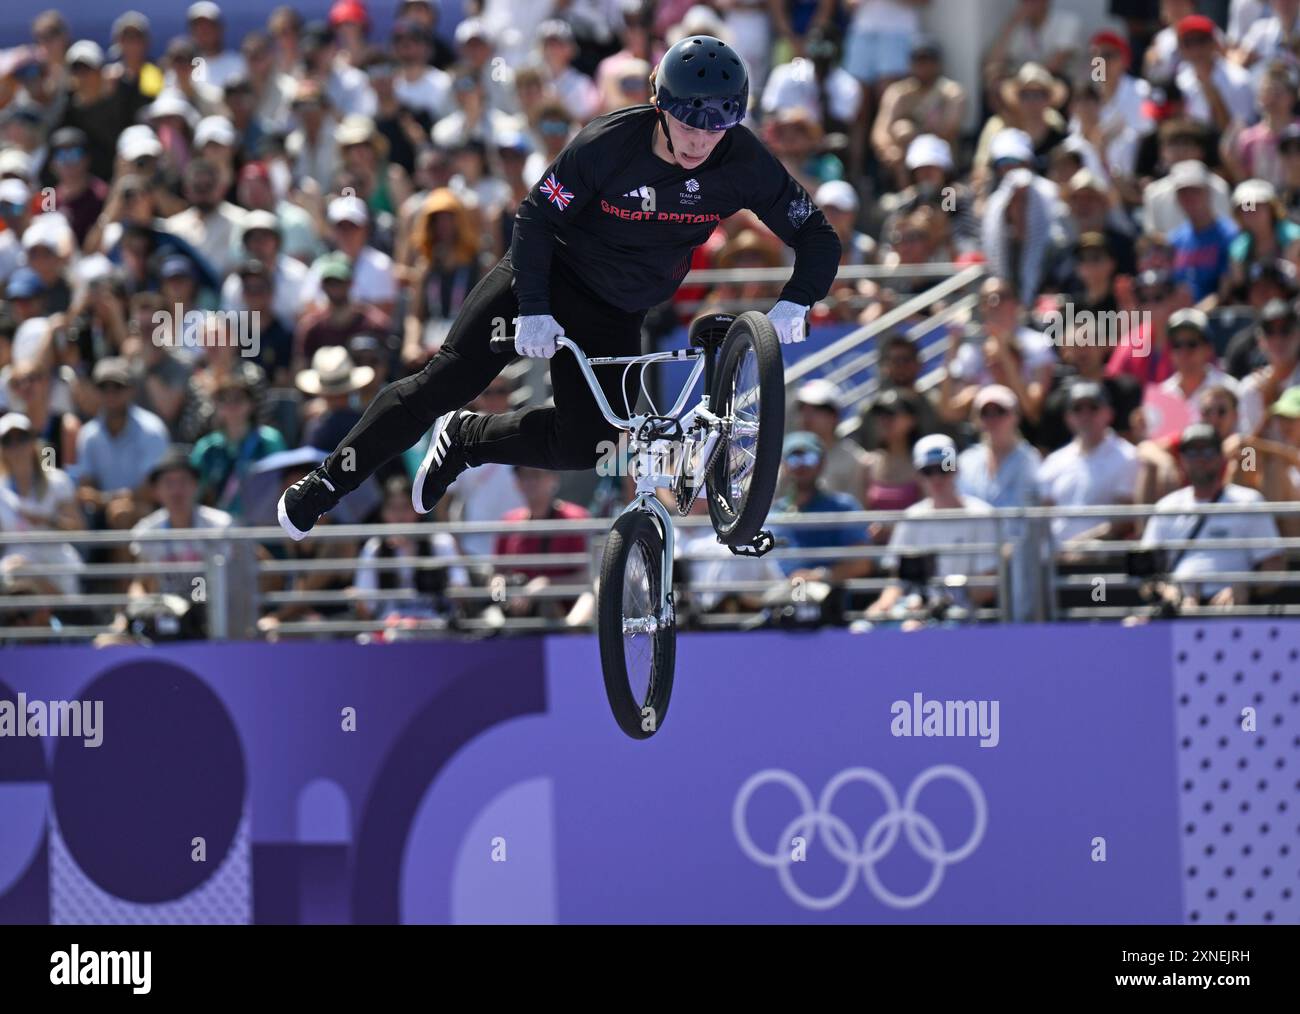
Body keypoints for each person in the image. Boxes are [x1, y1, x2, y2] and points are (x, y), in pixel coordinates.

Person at [279, 35, 840, 540]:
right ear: (659, 107)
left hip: (617, 312)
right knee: (443, 383)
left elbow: (817, 235)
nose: (700, 141)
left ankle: (469, 440)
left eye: (716, 127)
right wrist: (534, 308)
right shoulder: (608, 144)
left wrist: (799, 297)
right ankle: (328, 484)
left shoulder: (744, 162)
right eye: (689, 124)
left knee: (590, 444)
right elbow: (535, 218)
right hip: (546, 279)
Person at [1140, 423, 1281, 609]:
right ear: (1181, 459)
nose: (1200, 459)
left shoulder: (1248, 501)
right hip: (1176, 612)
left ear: (1221, 457)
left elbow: (1274, 565)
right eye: (1192, 453)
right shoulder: (1166, 506)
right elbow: (1146, 577)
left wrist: (1246, 588)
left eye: (1208, 451)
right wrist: (1171, 594)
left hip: (1234, 611)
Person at [868, 433, 1001, 627]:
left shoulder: (982, 515)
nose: (937, 477)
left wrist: (941, 603)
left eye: (943, 468)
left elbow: (985, 590)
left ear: (956, 469)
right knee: (861, 629)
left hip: (963, 618)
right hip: (913, 611)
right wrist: (881, 608)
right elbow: (897, 581)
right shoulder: (912, 517)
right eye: (928, 471)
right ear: (918, 475)